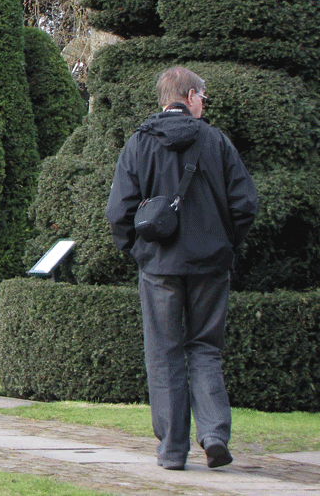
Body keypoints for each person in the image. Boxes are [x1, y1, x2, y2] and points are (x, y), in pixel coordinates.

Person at [105, 66, 258, 471]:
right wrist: (224, 243)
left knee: (164, 352)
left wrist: (138, 251)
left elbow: (118, 211)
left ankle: (173, 450)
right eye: (203, 98)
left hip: (159, 265)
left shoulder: (139, 143)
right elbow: (245, 204)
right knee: (205, 348)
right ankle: (214, 435)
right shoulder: (216, 141)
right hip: (210, 265)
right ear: (190, 96)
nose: (204, 105)